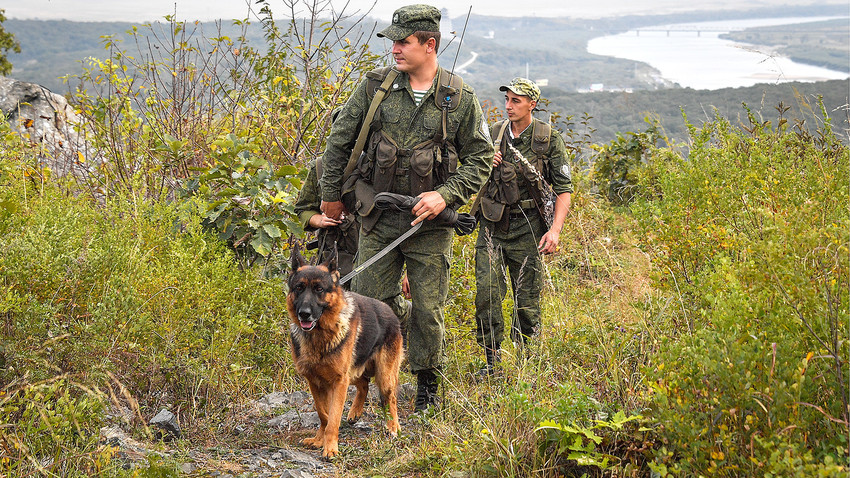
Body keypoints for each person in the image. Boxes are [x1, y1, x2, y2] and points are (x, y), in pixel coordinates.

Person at [319, 4, 494, 412]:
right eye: (393, 41)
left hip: (428, 226)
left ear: (429, 45)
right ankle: (363, 385)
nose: (395, 49)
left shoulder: (458, 98)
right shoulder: (375, 87)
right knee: (366, 301)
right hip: (378, 217)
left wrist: (445, 195)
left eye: (403, 42)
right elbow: (340, 140)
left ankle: (428, 390)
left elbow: (481, 158)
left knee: (428, 309)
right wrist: (331, 194)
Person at [472, 77, 573, 375]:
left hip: (529, 227)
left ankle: (527, 361)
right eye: (507, 100)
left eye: (516, 100)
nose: (509, 106)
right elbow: (470, 174)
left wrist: (554, 231)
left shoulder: (547, 138)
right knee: (486, 293)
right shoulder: (493, 134)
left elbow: (563, 189)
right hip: (493, 224)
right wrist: (486, 162)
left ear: (532, 104)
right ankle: (492, 362)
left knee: (526, 298)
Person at [293, 158, 412, 333]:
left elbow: (406, 222)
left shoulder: (384, 164)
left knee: (385, 309)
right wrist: (320, 220)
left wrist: (410, 270)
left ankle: (408, 321)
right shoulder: (321, 167)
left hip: (377, 260)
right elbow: (303, 209)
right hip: (336, 260)